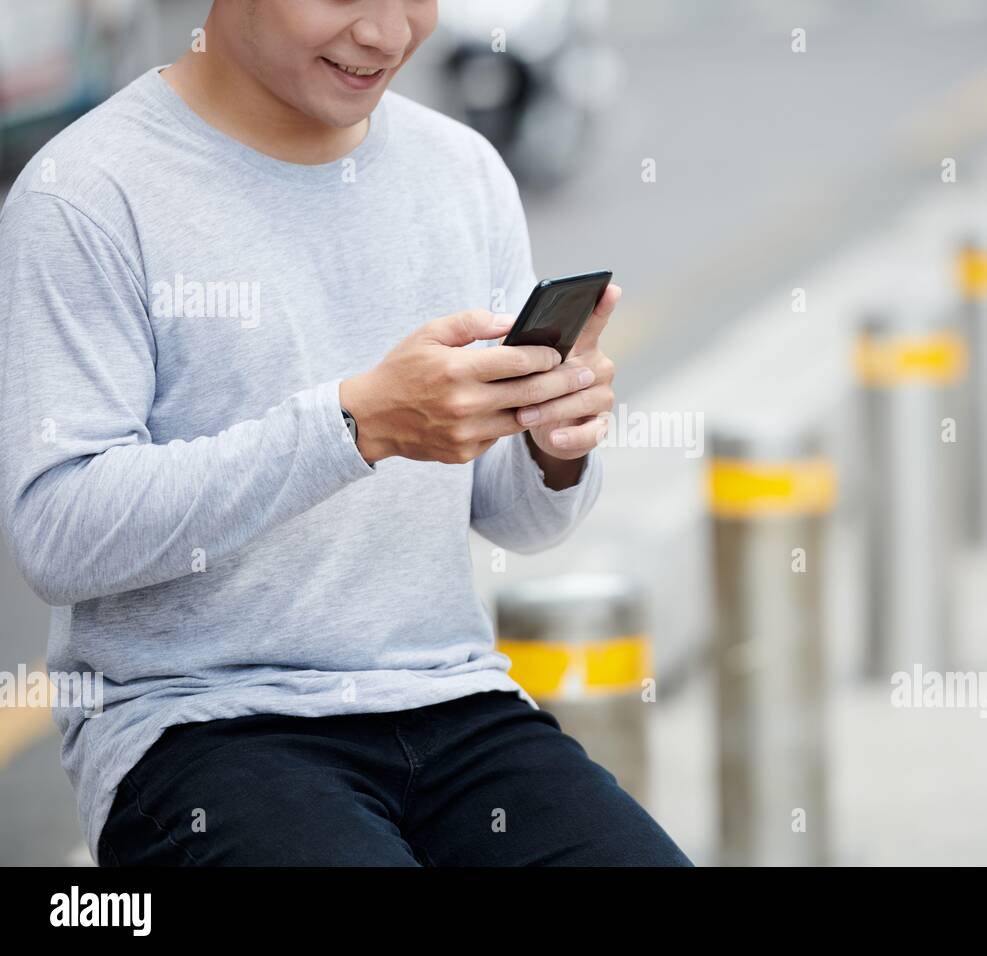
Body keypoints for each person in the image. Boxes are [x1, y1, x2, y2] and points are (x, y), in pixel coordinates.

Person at [0, 0, 690, 867]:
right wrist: (354, 426)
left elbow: (523, 521)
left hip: (454, 699)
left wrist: (554, 442)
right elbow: (59, 532)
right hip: (199, 728)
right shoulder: (87, 192)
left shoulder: (462, 169)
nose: (387, 33)